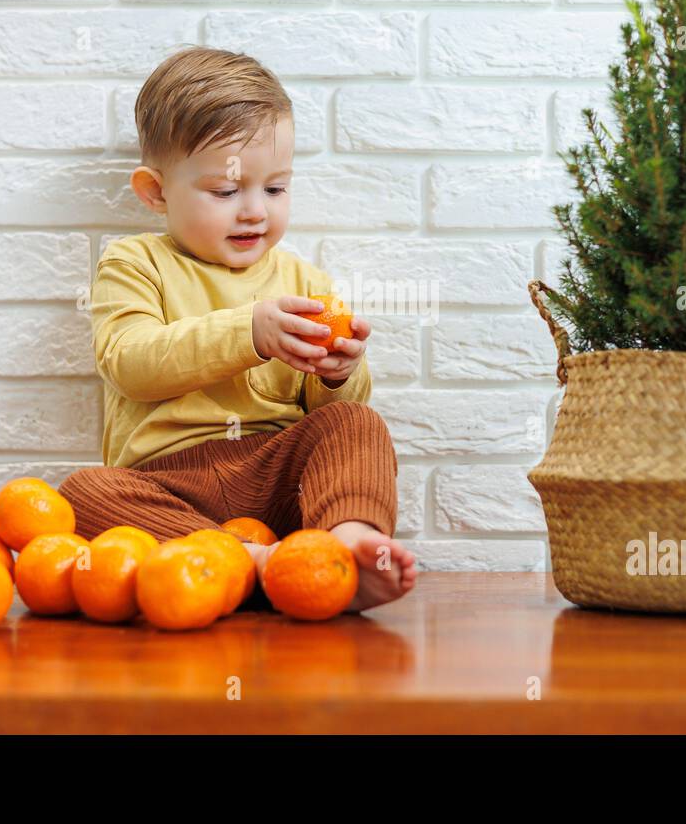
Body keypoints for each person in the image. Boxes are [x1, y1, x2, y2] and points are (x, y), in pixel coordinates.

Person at [58, 44, 417, 612]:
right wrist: (247, 331)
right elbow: (129, 362)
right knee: (83, 494)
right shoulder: (132, 263)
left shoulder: (303, 278)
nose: (254, 211)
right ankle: (250, 564)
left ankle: (341, 551)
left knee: (355, 422)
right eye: (226, 191)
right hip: (168, 486)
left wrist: (338, 374)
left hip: (276, 479)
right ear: (155, 192)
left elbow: (326, 418)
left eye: (274, 189)